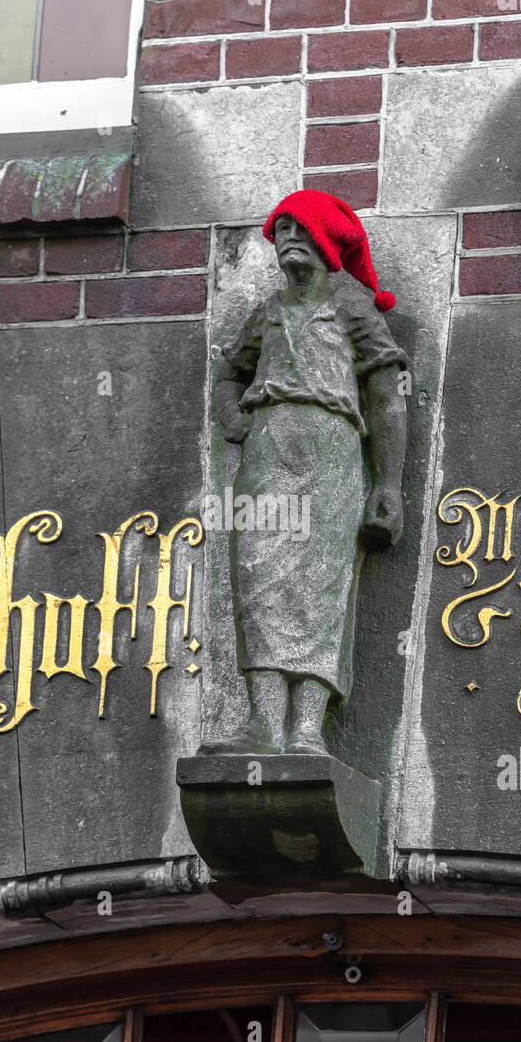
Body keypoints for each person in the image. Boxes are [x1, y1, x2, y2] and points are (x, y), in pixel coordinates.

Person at [206, 189, 409, 757]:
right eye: (283, 230)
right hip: (268, 450)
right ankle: (264, 724)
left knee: (319, 587)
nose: (289, 239)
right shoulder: (268, 312)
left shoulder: (351, 308)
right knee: (259, 578)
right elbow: (230, 374)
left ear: (325, 240)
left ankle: (307, 732)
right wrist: (232, 419)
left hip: (331, 450)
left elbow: (387, 398)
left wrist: (389, 484)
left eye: (301, 229)